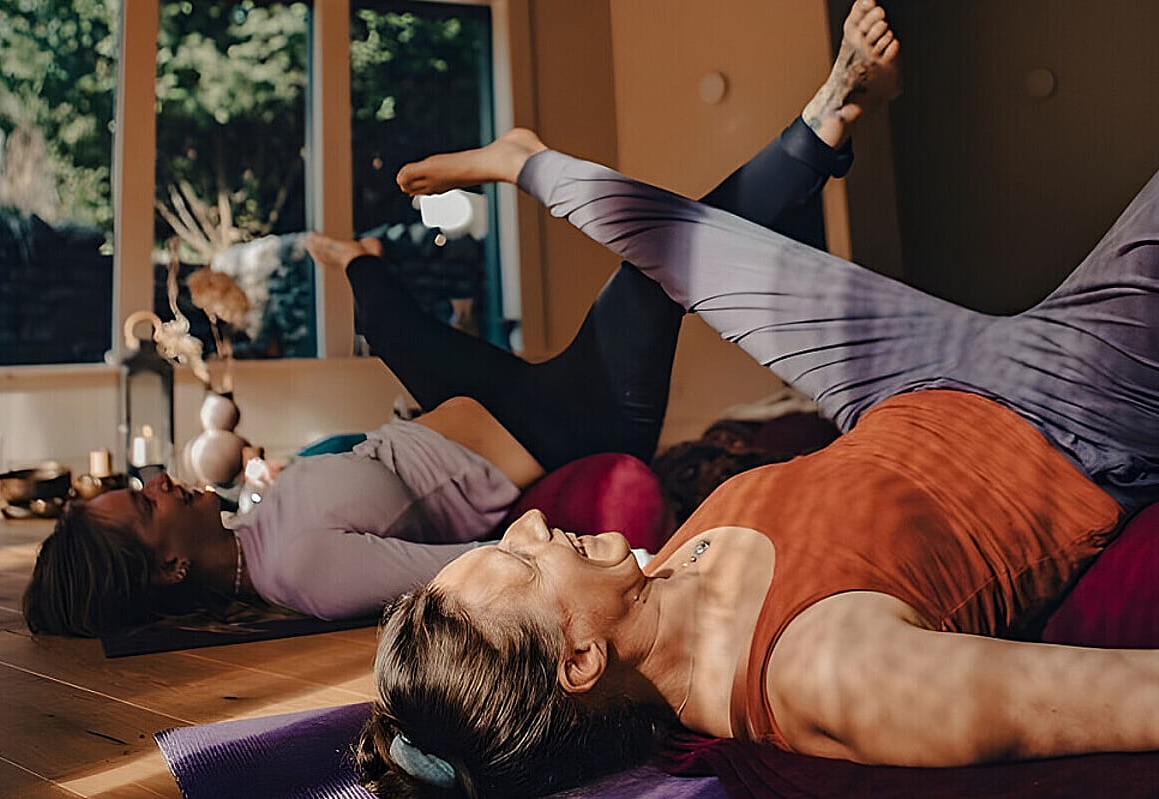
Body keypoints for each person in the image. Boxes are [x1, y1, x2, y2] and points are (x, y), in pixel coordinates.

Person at [359, 3, 1159, 797]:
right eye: (518, 558)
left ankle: (538, 161)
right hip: (1062, 412)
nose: (528, 523)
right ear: (578, 659)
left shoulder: (652, 586)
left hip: (897, 391)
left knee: (679, 254)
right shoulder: (832, 677)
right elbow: (1131, 702)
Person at [18, 8, 893, 638]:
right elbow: (482, 565)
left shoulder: (255, 526)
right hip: (553, 429)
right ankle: (821, 129)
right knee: (653, 271)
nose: (159, 482)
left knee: (394, 333)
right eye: (143, 503)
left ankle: (362, 257)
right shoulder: (305, 574)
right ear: (169, 566)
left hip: (470, 412)